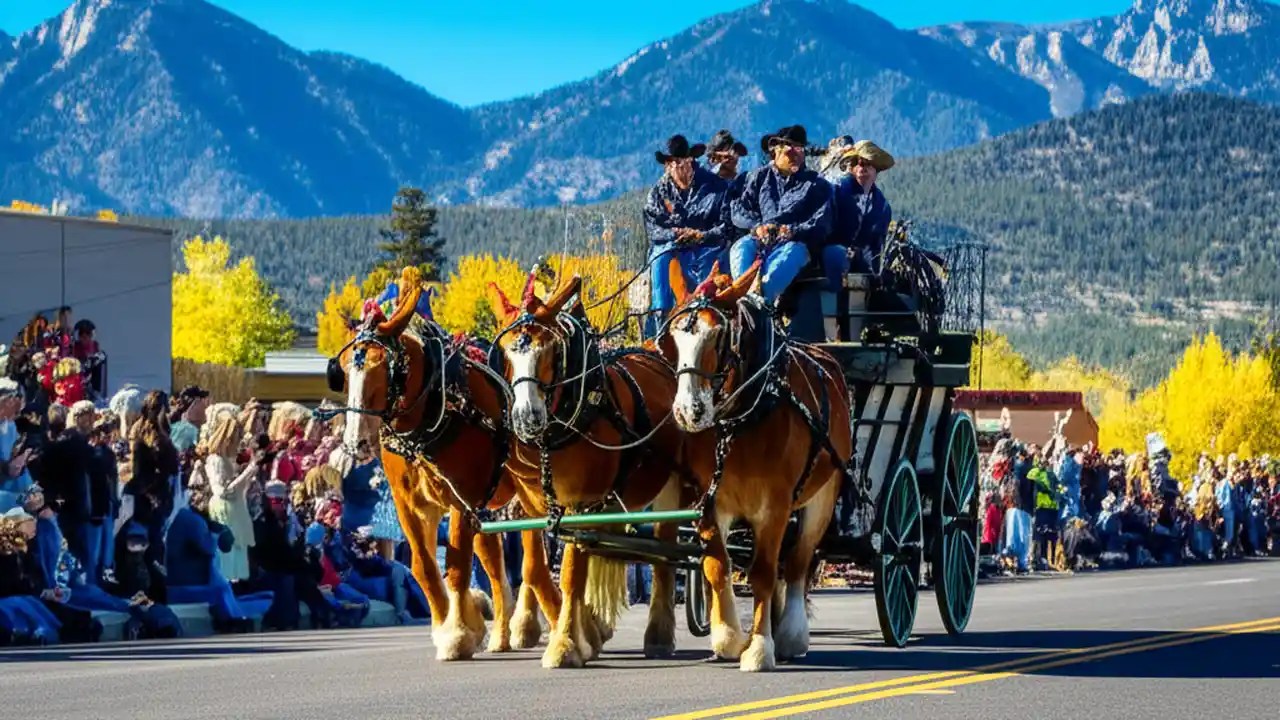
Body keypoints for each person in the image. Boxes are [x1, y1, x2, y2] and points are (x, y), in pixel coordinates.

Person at [728, 124, 834, 306]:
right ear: (775, 151)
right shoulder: (758, 178)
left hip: (796, 243)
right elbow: (738, 210)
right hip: (760, 240)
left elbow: (821, 223)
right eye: (788, 148)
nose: (794, 153)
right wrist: (757, 227)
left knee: (789, 256)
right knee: (740, 248)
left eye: (799, 148)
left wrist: (792, 230)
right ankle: (743, 298)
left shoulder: (816, 184)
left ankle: (757, 304)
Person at [642, 134, 733, 336]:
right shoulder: (658, 191)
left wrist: (701, 235)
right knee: (659, 256)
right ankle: (660, 321)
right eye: (670, 163)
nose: (675, 167)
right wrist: (674, 233)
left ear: (690, 160)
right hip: (673, 250)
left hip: (708, 250)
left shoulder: (716, 187)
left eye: (679, 161)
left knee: (711, 279)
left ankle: (711, 327)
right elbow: (653, 228)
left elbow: (727, 226)